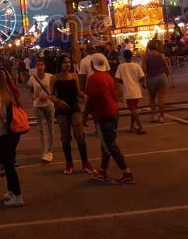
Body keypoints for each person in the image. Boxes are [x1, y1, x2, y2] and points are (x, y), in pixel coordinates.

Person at [84, 54, 134, 184]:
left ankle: (126, 172)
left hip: (103, 114)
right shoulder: (108, 77)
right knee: (106, 143)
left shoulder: (93, 78)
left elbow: (90, 100)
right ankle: (102, 171)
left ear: (92, 65)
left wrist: (84, 117)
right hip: (113, 112)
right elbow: (114, 95)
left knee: (110, 145)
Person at [51, 55, 94, 174]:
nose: (67, 64)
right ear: (60, 64)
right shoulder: (54, 78)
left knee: (79, 135)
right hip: (62, 110)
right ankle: (69, 163)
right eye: (65, 62)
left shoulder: (74, 76)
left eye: (69, 62)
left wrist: (84, 95)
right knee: (65, 138)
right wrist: (58, 101)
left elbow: (78, 91)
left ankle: (85, 163)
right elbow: (51, 95)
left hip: (74, 107)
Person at [0, 70, 24, 207]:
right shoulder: (7, 92)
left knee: (8, 165)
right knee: (8, 162)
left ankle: (17, 195)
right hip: (11, 132)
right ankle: (10, 191)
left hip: (2, 133)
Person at [28, 59, 55, 163]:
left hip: (49, 105)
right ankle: (44, 151)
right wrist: (33, 95)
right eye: (38, 65)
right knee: (41, 129)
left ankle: (50, 151)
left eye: (42, 65)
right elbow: (31, 90)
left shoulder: (50, 77)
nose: (40, 67)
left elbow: (54, 92)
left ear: (44, 66)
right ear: (35, 67)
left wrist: (48, 97)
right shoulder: (32, 78)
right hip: (38, 106)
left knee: (50, 128)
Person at [114, 50, 146, 134]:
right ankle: (132, 126)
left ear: (124, 57)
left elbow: (116, 79)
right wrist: (137, 81)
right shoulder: (136, 65)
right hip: (136, 90)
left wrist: (123, 82)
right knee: (134, 109)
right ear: (132, 56)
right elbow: (143, 77)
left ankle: (140, 127)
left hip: (128, 91)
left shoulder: (121, 66)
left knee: (133, 109)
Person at [142, 40, 170, 123]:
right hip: (162, 76)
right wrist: (166, 76)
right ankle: (161, 117)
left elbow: (144, 69)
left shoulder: (146, 56)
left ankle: (154, 116)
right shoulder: (161, 55)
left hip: (151, 78)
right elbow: (166, 67)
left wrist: (143, 80)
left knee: (152, 98)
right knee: (161, 98)